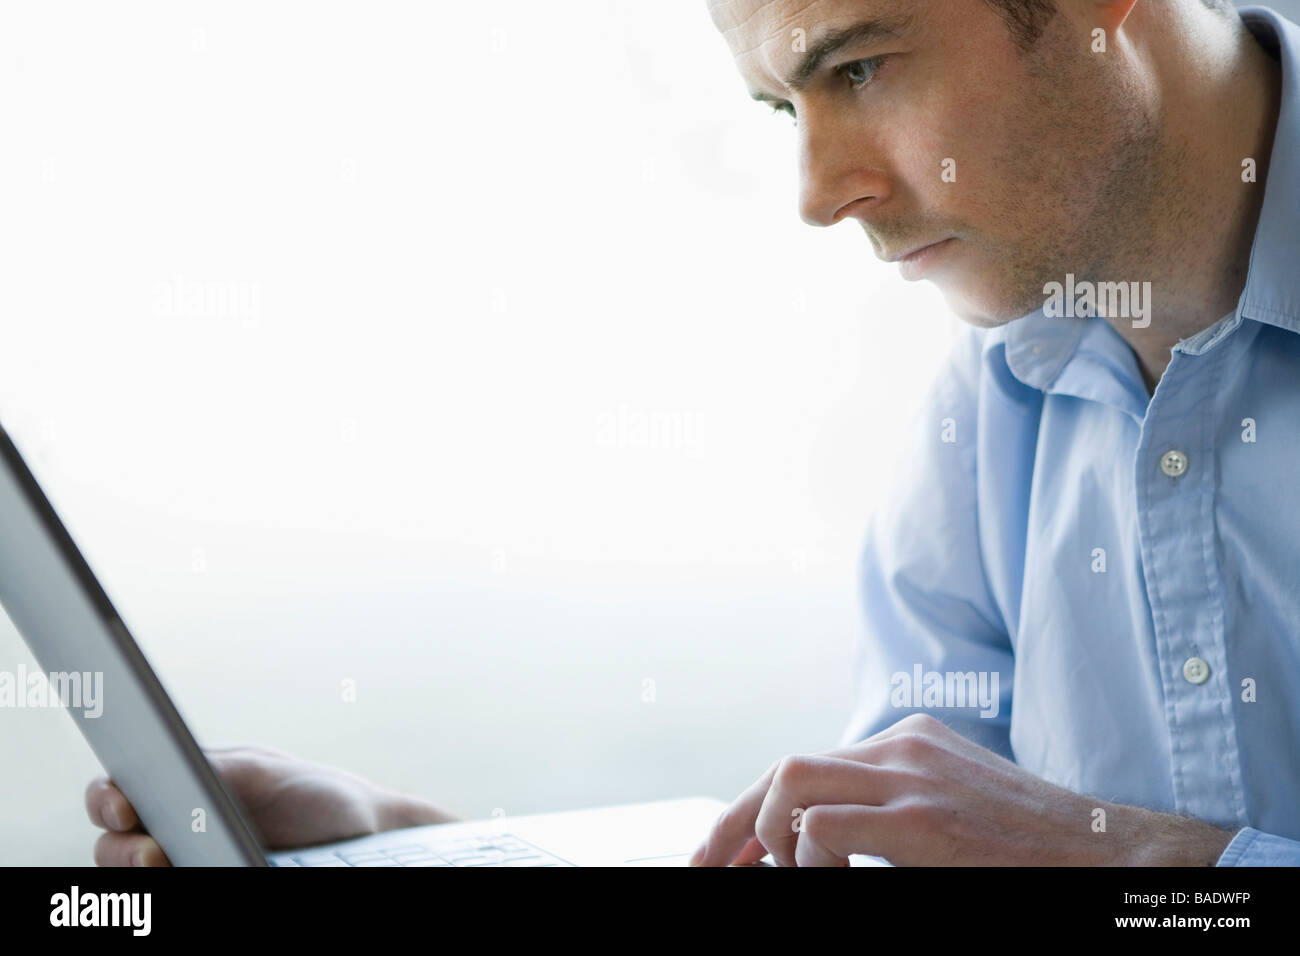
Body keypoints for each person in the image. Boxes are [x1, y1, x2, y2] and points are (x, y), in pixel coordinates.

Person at [87, 0, 1300, 866]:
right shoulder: (993, 392)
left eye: (862, 68)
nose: (819, 193)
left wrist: (1126, 864)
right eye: (783, 107)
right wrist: (425, 847)